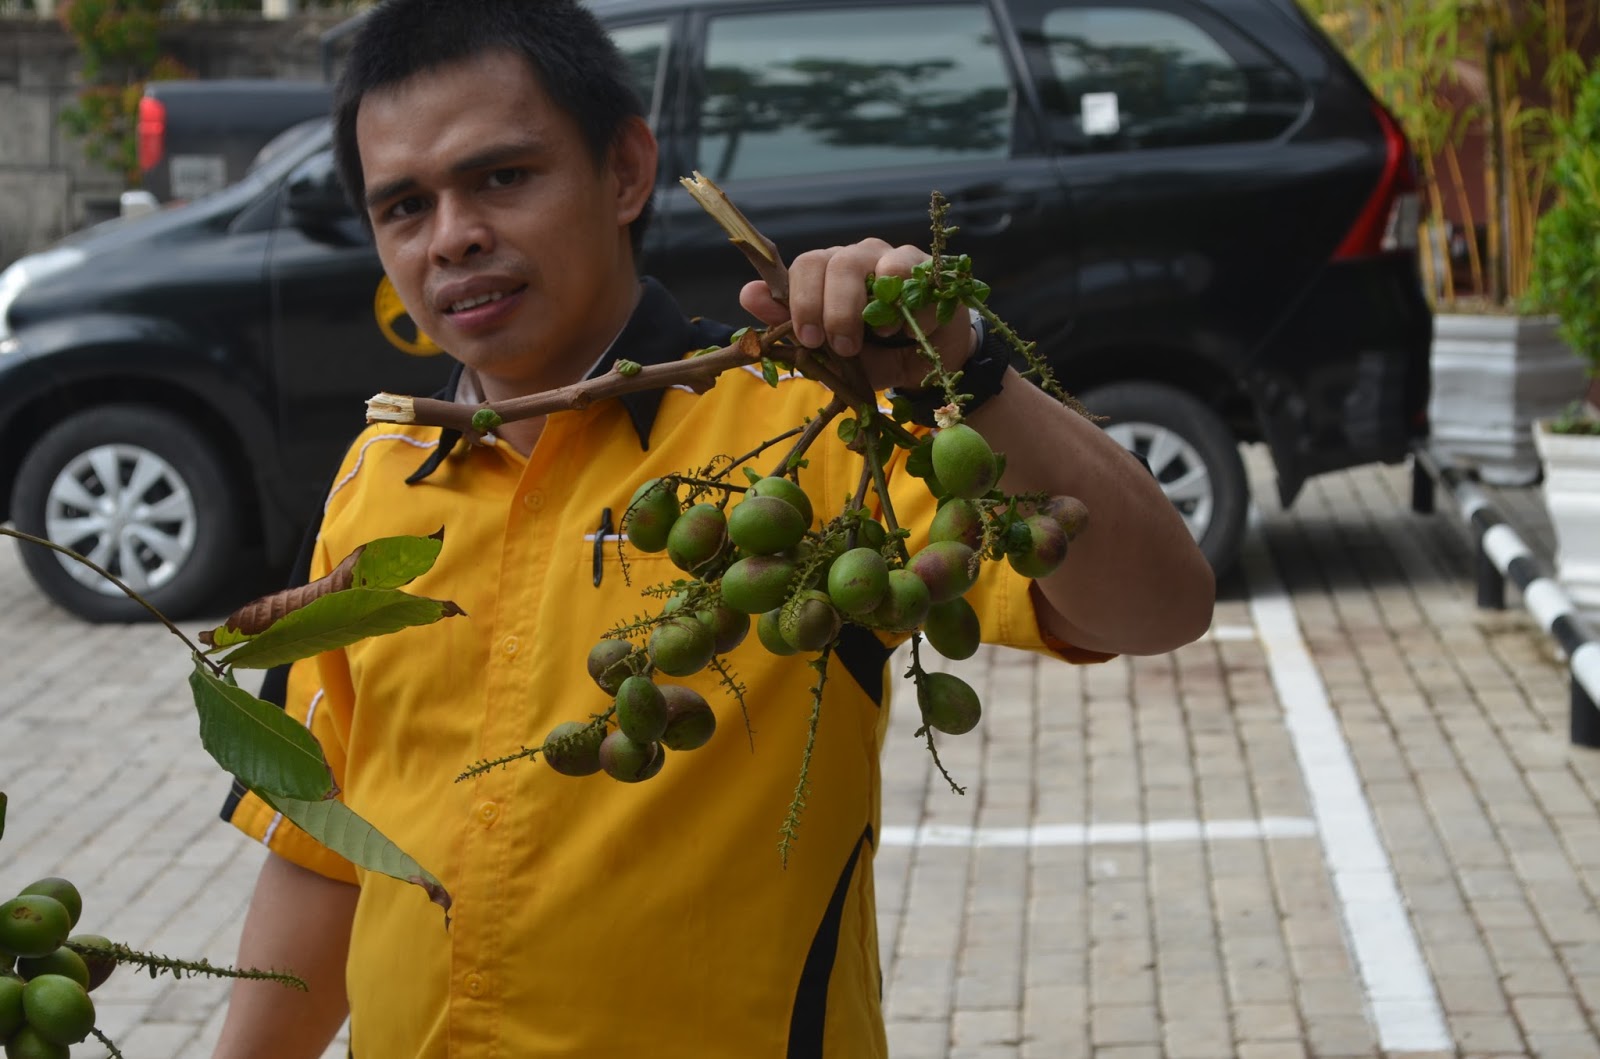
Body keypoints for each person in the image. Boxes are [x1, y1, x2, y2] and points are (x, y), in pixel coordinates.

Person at [212, 1, 1214, 1056]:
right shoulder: (380, 479)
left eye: (502, 177)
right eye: (404, 205)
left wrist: (961, 369)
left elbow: (1160, 606)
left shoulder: (807, 432)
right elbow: (324, 849)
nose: (452, 235)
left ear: (626, 171)